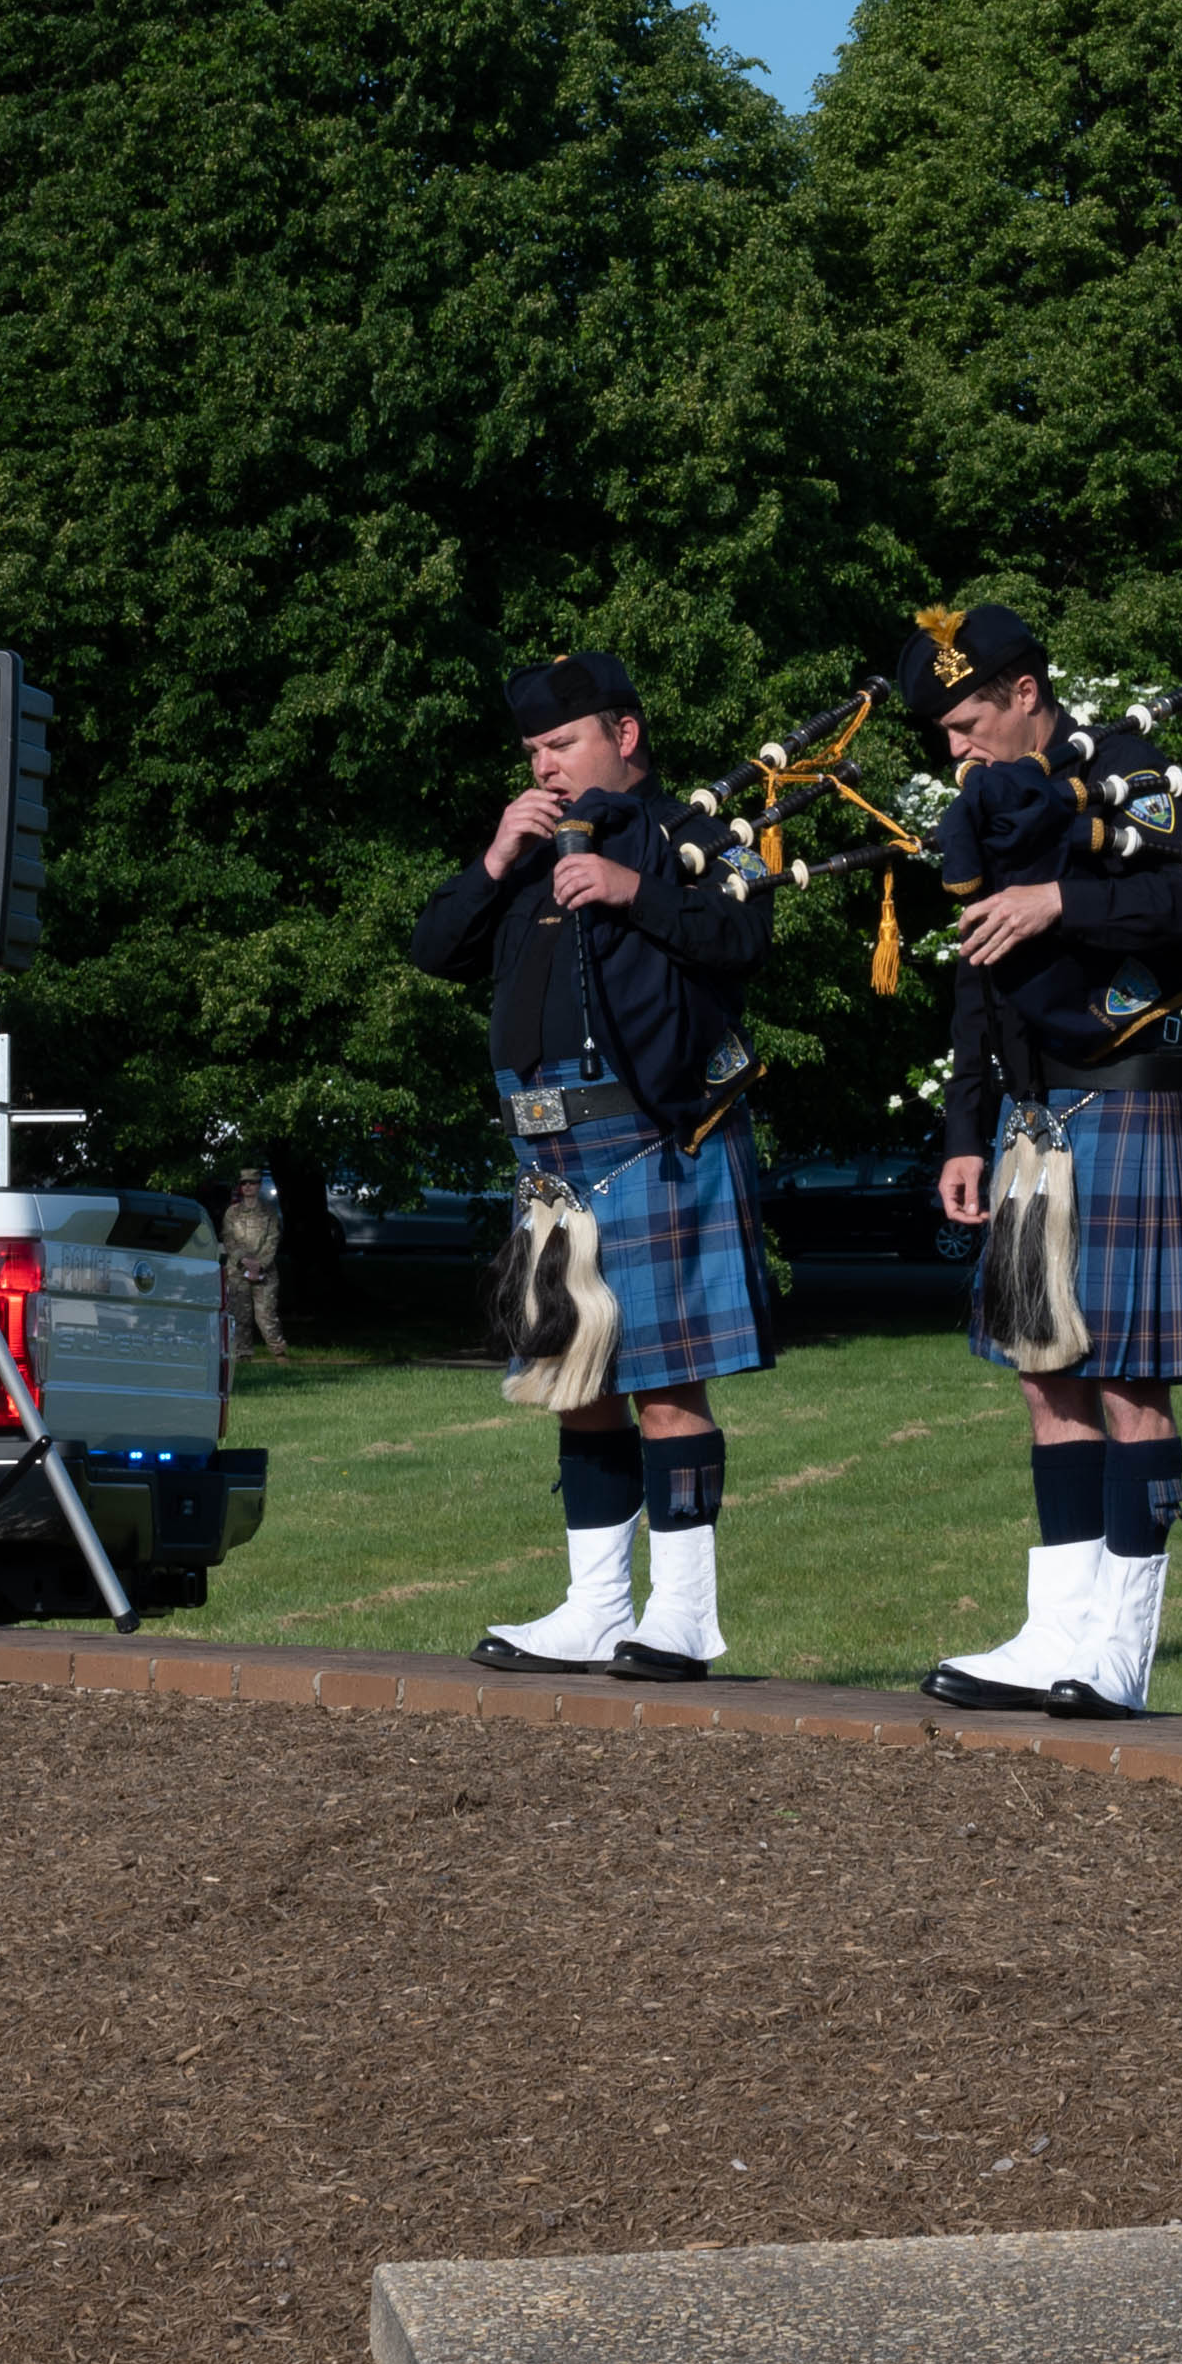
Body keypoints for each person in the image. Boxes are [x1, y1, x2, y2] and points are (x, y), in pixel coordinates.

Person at [411, 650, 776, 1681]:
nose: (547, 765)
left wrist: (632, 890)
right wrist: (493, 856)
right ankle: (594, 1607)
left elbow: (746, 933)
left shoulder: (695, 838)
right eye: (533, 749)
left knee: (665, 1388)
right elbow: (433, 949)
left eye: (562, 743)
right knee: (577, 1387)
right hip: (549, 1152)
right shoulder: (523, 853)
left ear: (625, 733)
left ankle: (686, 1615)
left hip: (654, 1136)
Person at [904, 603, 1182, 1720]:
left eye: (965, 722)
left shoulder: (1132, 767)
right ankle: (1056, 1627)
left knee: (1127, 1376)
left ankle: (1121, 1648)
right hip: (1029, 1112)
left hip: (1132, 1092)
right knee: (1045, 1372)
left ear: (1026, 692)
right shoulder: (987, 804)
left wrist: (1063, 898)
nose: (955, 749)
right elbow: (976, 968)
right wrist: (963, 1127)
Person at [221, 1169, 290, 1359]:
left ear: (259, 1185)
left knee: (266, 1316)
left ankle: (279, 1354)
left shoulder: (269, 1212)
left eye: (252, 1182)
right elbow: (228, 1240)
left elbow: (273, 1239)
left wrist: (259, 1264)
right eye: (244, 1183)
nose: (248, 1186)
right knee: (239, 1316)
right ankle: (243, 1356)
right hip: (237, 1272)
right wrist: (244, 1261)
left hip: (265, 1272)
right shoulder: (232, 1213)